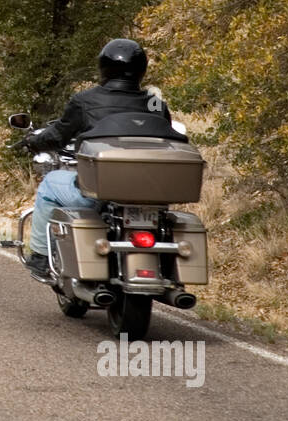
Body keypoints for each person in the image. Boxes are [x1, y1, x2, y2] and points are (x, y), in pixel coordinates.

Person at [20, 38, 181, 280]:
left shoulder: (85, 101)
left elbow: (57, 136)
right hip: (151, 195)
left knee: (50, 184)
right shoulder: (156, 103)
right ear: (141, 69)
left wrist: (33, 142)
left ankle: (41, 257)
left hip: (103, 194)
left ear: (103, 67)